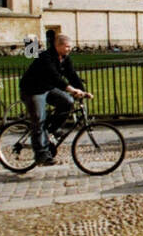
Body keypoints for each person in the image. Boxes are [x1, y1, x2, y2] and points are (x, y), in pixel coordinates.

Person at [19, 33, 91, 164]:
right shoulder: (45, 57)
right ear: (58, 45)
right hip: (32, 90)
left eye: (70, 47)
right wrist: (71, 89)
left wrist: (84, 92)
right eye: (67, 47)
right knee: (38, 120)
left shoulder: (65, 58)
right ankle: (41, 154)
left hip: (47, 88)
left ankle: (50, 130)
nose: (69, 49)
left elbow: (72, 75)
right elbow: (55, 78)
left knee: (68, 102)